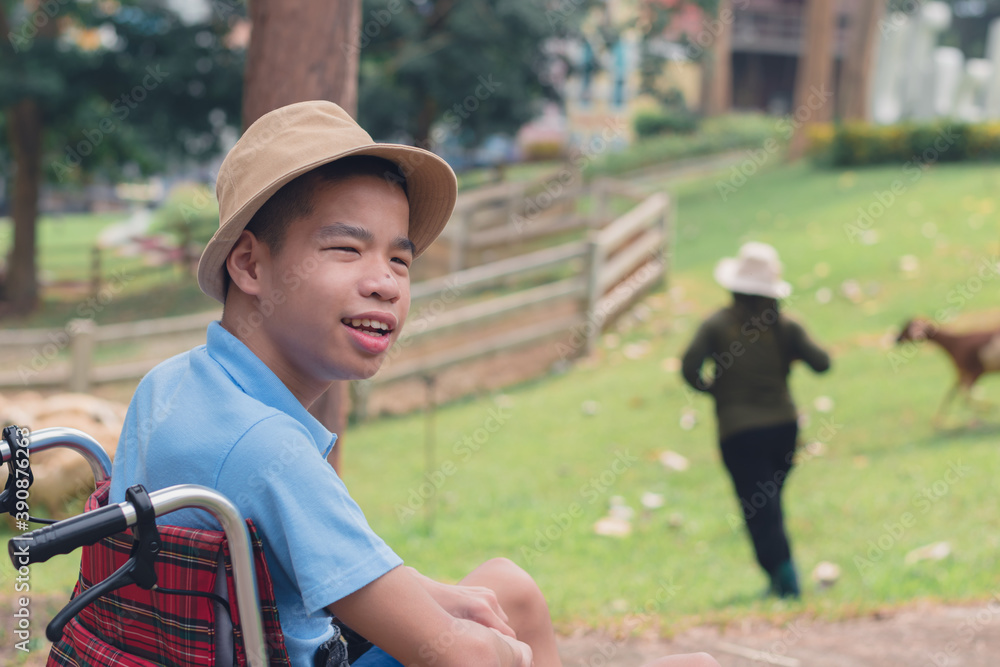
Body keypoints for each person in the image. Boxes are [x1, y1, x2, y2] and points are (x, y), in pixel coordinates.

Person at [110, 100, 719, 667]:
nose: (386, 284)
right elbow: (451, 654)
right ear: (249, 264)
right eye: (346, 248)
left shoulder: (168, 387)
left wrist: (433, 597)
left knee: (507, 592)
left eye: (400, 260)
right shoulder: (270, 451)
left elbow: (335, 577)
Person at [680, 242, 830, 599]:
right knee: (770, 503)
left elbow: (689, 367)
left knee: (760, 510)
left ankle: (786, 584)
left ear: (734, 287)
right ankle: (783, 578)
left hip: (739, 432)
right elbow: (822, 363)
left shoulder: (717, 324)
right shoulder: (785, 325)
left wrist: (713, 390)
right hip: (783, 428)